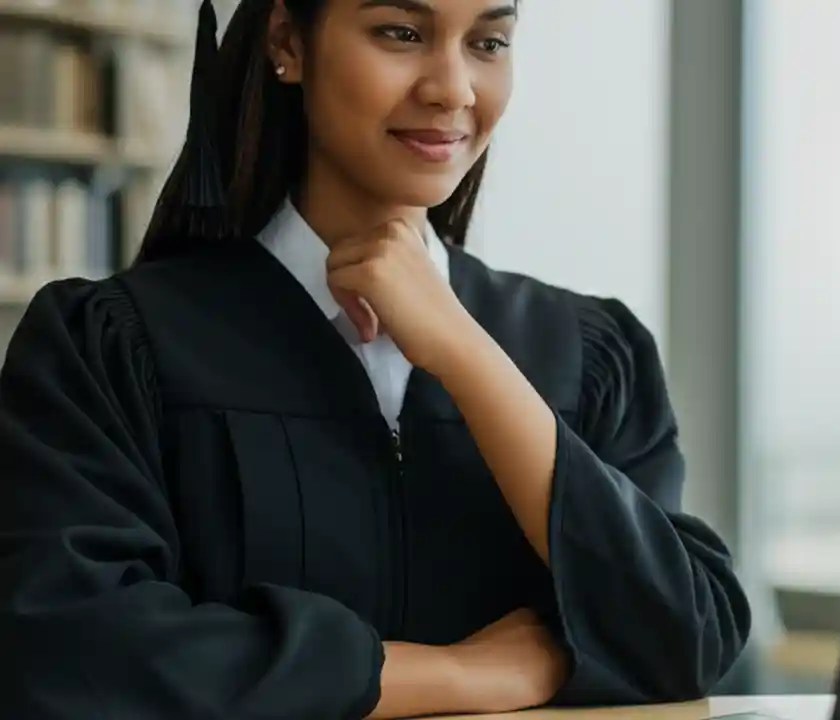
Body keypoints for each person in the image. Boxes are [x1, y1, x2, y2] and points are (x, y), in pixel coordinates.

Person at [0, 0, 751, 717]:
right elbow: (67, 648)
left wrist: (464, 352)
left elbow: (686, 638)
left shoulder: (588, 352)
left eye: (488, 43)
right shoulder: (113, 346)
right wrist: (459, 675)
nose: (452, 88)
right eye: (400, 32)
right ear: (288, 43)